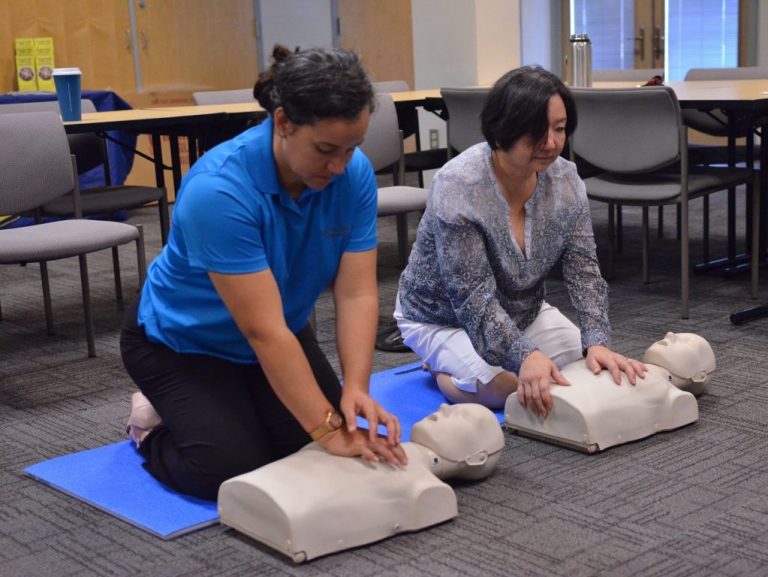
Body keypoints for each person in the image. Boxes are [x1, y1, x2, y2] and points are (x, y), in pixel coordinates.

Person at [120, 45, 407, 501]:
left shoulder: (351, 176)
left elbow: (356, 294)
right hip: (182, 343)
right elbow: (264, 332)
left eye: (351, 149)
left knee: (301, 447)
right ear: (283, 123)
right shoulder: (218, 191)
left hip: (279, 328)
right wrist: (329, 430)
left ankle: (235, 407)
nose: (339, 166)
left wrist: (356, 388)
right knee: (228, 468)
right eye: (325, 150)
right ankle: (150, 425)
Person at [395, 65, 646, 414]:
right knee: (506, 389)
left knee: (586, 369)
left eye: (559, 129)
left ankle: (472, 362)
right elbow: (471, 298)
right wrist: (526, 355)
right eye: (536, 132)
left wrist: (596, 341)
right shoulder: (459, 185)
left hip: (522, 311)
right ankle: (441, 370)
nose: (551, 143)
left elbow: (584, 270)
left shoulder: (566, 180)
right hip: (441, 317)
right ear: (503, 129)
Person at [218, 403, 505, 562]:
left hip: (291, 512)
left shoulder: (430, 490)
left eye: (461, 416)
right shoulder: (384, 450)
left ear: (477, 458)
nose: (443, 407)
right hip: (265, 488)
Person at [505, 332, 715, 452]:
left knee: (508, 385)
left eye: (686, 342)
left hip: (581, 414)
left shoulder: (676, 397)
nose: (670, 335)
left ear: (699, 376)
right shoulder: (629, 366)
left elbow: (586, 278)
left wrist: (596, 342)